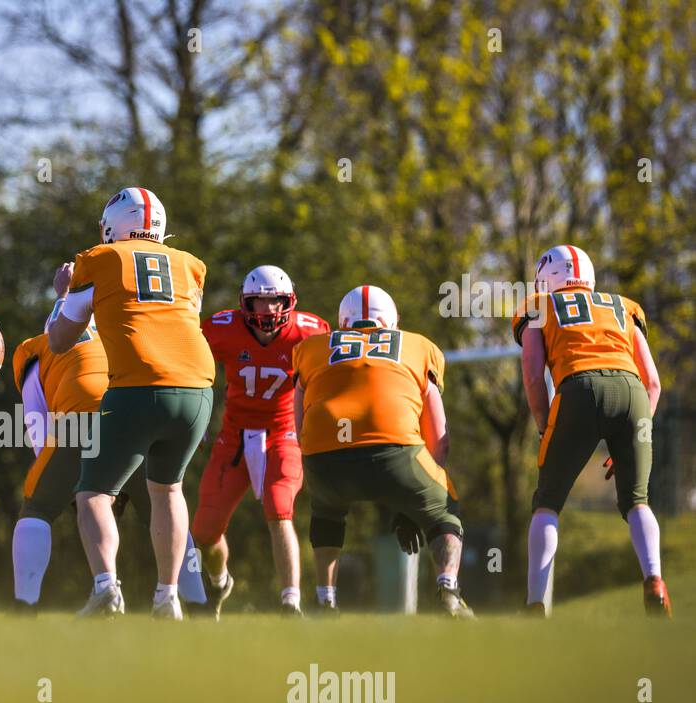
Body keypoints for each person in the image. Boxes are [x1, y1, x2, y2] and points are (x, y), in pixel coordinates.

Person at [48, 186, 215, 620]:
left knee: (94, 495)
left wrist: (64, 295)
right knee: (169, 489)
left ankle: (107, 588)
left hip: (138, 386)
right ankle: (168, 597)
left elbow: (60, 341)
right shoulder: (190, 266)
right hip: (198, 389)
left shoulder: (99, 260)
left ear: (111, 226)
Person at [11, 266, 206, 612]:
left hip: (79, 417)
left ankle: (29, 603)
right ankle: (194, 601)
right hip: (131, 413)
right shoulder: (121, 335)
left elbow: (36, 424)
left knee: (37, 506)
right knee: (165, 501)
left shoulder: (36, 348)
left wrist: (62, 477)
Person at [291, 284, 472, 617]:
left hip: (324, 454)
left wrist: (317, 459)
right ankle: (448, 589)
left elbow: (298, 422)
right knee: (444, 508)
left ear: (341, 322)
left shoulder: (310, 348)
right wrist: (413, 501)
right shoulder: (418, 346)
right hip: (396, 450)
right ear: (394, 320)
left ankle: (324, 599)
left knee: (327, 512)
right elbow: (440, 436)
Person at [513, 244, 669, 617]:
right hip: (632, 394)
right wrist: (638, 432)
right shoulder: (623, 306)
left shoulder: (538, 307)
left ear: (546, 277)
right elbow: (654, 383)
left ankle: (536, 604)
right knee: (637, 499)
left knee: (547, 503)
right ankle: (655, 581)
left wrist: (544, 425)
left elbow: (534, 378)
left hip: (577, 389)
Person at [188, 265, 329, 618]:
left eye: (275, 302)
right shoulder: (223, 328)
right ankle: (220, 581)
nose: (267, 311)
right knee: (204, 530)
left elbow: (329, 378)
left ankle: (290, 602)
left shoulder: (310, 333)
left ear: (289, 302)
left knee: (280, 504)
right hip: (233, 435)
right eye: (258, 302)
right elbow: (191, 365)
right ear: (243, 303)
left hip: (283, 432)